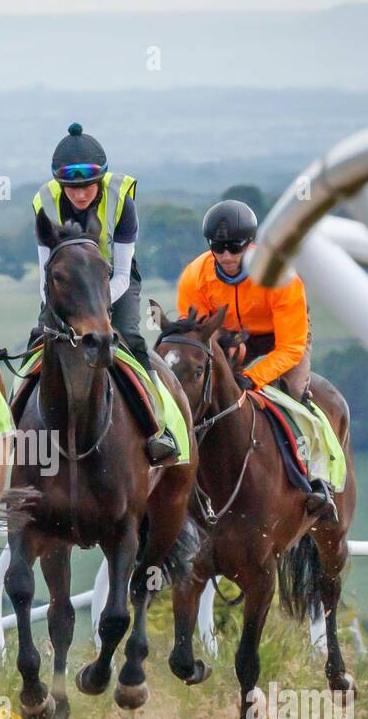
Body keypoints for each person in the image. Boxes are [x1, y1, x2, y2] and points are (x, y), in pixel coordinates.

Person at [176, 198, 334, 517]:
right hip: (231, 336)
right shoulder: (194, 277)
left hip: (282, 337)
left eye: (234, 247)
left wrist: (253, 377)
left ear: (250, 243)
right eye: (218, 248)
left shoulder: (281, 276)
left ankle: (317, 480)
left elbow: (290, 348)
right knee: (200, 389)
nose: (226, 256)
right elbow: (198, 338)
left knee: (294, 394)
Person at [32, 123, 177, 463]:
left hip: (112, 281)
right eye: (72, 188)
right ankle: (14, 425)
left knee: (128, 336)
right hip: (65, 285)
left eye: (87, 186)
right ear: (60, 184)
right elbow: (44, 276)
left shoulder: (122, 203)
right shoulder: (45, 205)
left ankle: (159, 426)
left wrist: (95, 307)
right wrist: (66, 314)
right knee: (39, 339)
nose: (81, 194)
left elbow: (123, 273)